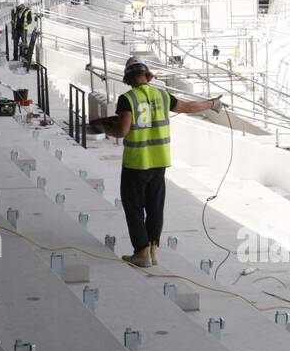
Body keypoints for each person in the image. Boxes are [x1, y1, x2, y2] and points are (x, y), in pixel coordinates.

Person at [89, 56, 221, 268]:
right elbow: (188, 107)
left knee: (133, 207)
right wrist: (212, 104)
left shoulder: (127, 99)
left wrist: (103, 127)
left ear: (128, 78)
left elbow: (122, 131)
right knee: (154, 206)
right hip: (160, 161)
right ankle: (152, 250)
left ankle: (141, 252)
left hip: (136, 163)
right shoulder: (162, 95)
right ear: (148, 75)